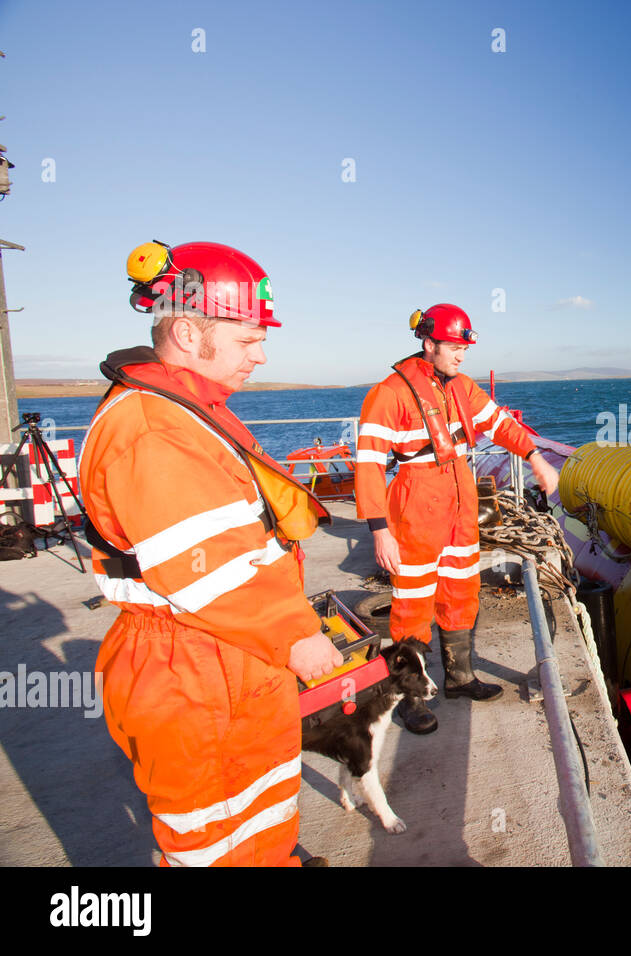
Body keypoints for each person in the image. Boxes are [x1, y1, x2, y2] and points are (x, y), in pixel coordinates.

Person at [80, 240, 343, 867]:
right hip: (191, 668)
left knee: (257, 812)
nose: (262, 354)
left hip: (227, 657)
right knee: (210, 836)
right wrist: (298, 634)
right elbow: (205, 568)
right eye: (247, 339)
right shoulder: (152, 426)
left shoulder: (190, 411)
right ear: (188, 331)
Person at [356, 304, 559, 733]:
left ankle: (460, 678)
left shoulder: (462, 388)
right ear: (428, 344)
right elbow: (370, 464)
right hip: (415, 502)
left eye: (463, 348)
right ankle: (410, 697)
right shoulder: (388, 394)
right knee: (412, 603)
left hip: (461, 498)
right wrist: (379, 530)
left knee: (461, 590)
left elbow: (500, 424)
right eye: (452, 347)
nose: (460, 356)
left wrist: (536, 458)